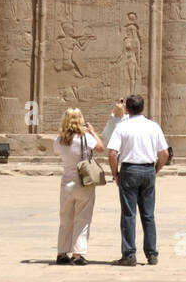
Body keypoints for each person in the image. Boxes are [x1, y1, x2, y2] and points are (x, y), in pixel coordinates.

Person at [106, 93, 169, 266]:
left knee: (128, 214)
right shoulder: (153, 126)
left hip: (129, 169)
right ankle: (152, 254)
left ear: (127, 109)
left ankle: (129, 254)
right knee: (148, 215)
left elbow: (112, 153)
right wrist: (156, 169)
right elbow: (164, 153)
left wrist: (115, 173)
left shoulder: (122, 127)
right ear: (142, 108)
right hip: (148, 169)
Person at [53, 108, 100, 265]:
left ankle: (61, 252)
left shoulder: (59, 140)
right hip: (83, 183)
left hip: (67, 182)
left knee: (65, 219)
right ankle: (78, 254)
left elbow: (57, 152)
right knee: (82, 218)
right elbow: (100, 147)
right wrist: (92, 132)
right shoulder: (86, 138)